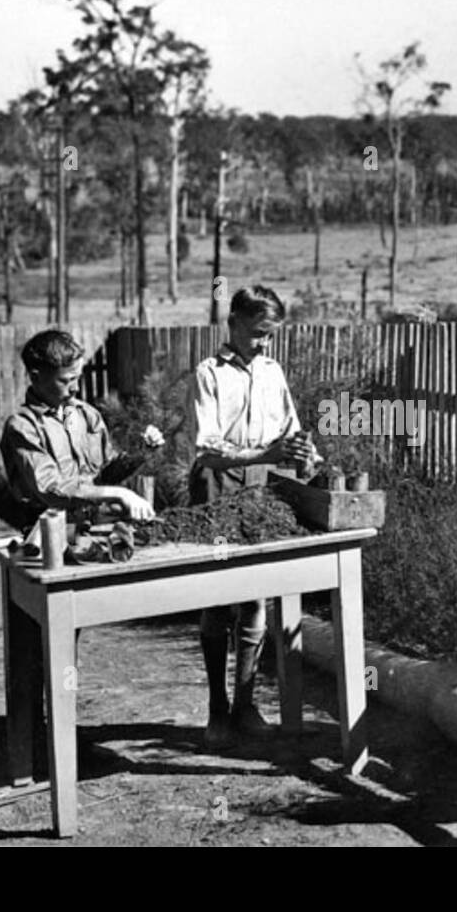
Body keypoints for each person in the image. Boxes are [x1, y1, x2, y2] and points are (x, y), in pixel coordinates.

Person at [189, 285, 318, 749]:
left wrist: (306, 454)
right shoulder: (209, 373)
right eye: (259, 334)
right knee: (218, 596)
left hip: (261, 488)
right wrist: (265, 451)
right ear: (234, 324)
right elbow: (206, 448)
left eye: (271, 336)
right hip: (217, 486)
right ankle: (217, 708)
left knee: (254, 598)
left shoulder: (271, 371)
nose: (265, 344)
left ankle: (246, 705)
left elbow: (292, 428)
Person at [0, 329, 158, 527]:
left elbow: (106, 474)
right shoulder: (23, 427)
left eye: (77, 378)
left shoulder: (86, 414)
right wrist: (118, 494)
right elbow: (50, 489)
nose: (75, 388)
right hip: (49, 534)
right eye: (66, 380)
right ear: (36, 377)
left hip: (96, 525)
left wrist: (139, 453)